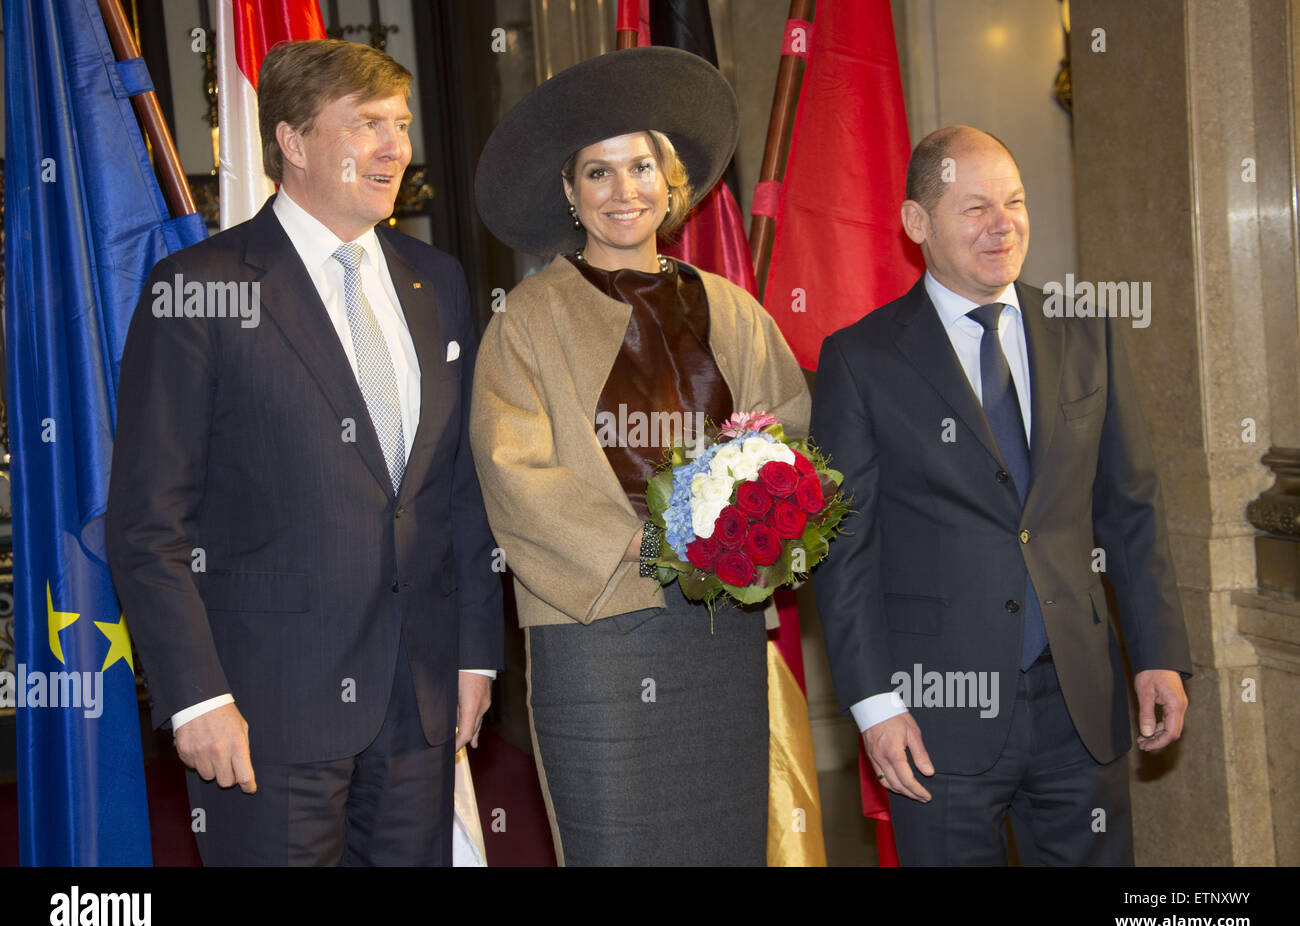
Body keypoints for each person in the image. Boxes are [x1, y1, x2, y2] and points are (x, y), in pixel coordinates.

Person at [106, 39, 503, 866]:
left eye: (400, 123)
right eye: (366, 124)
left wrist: (476, 657)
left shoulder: (439, 282)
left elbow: (458, 493)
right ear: (290, 141)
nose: (395, 146)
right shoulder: (199, 289)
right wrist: (196, 698)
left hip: (421, 700)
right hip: (263, 711)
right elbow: (149, 525)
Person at [812, 125, 1192, 866]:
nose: (1003, 224)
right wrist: (874, 706)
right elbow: (845, 547)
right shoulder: (860, 359)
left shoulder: (1086, 332)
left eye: (1014, 202)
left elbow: (1130, 506)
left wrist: (1157, 653)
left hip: (1080, 700)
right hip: (935, 711)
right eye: (976, 207)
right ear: (916, 223)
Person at [470, 47, 809, 866]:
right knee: (618, 845)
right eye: (597, 173)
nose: (623, 191)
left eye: (640, 167)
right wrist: (653, 544)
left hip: (721, 625)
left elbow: (787, 433)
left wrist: (750, 532)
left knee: (727, 841)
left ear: (671, 181)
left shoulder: (731, 307)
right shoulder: (527, 318)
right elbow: (512, 470)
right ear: (568, 193)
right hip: (597, 631)